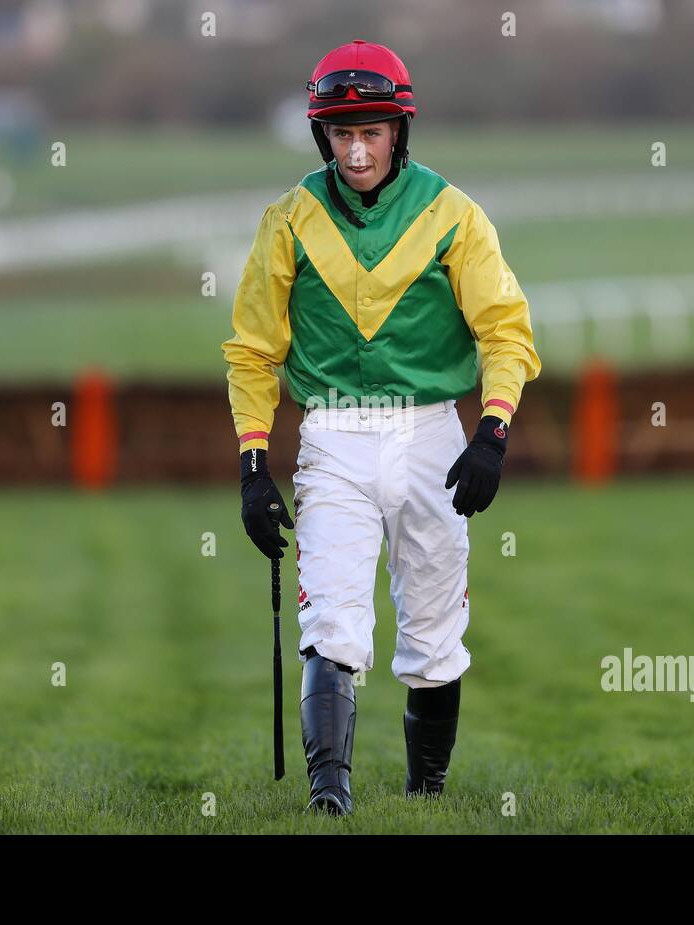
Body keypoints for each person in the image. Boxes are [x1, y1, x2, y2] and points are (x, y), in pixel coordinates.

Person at [221, 39, 541, 816]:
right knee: (332, 616)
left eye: (372, 133)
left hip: (434, 435)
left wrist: (493, 432)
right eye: (341, 134)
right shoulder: (290, 219)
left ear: (399, 132)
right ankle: (330, 793)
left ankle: (424, 796)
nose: (357, 151)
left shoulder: (453, 215)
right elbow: (254, 349)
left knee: (434, 634)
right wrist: (253, 464)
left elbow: (507, 332)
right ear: (321, 137)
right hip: (332, 437)